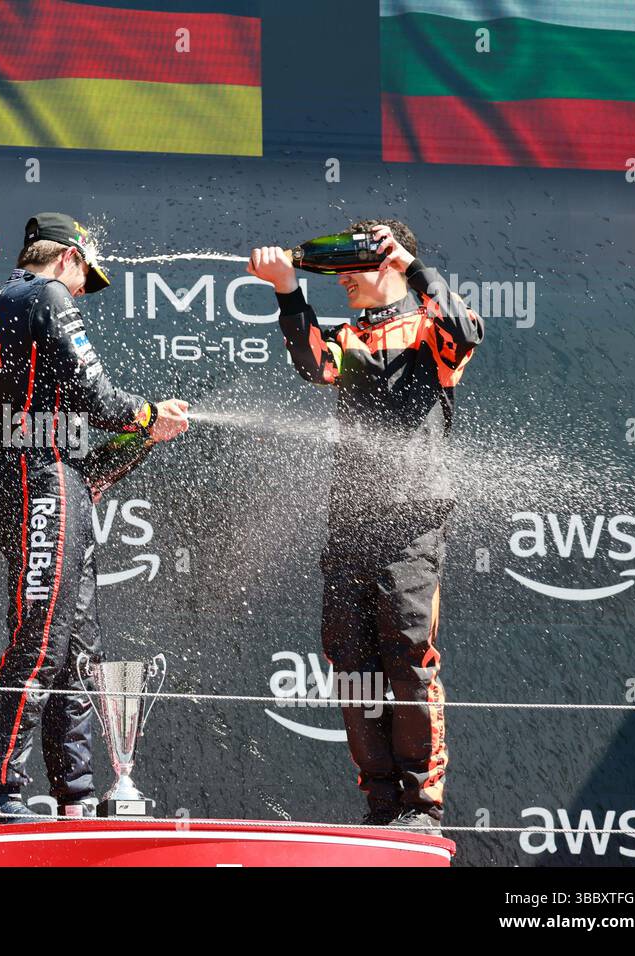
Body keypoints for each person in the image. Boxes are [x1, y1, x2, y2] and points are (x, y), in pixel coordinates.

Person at [248, 221, 484, 835]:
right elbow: (308, 361)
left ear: (390, 266)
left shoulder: (431, 326)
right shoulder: (348, 336)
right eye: (340, 273)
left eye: (355, 268)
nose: (345, 281)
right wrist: (286, 289)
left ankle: (421, 809)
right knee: (352, 662)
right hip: (349, 525)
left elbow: (468, 330)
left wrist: (412, 263)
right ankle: (382, 809)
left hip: (411, 525)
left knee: (407, 657)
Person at [0, 213, 189, 821]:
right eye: (86, 278)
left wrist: (133, 436)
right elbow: (94, 392)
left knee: (77, 650)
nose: (83, 293)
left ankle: (76, 798)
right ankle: (5, 794)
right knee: (41, 641)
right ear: (69, 260)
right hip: (45, 487)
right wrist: (144, 412)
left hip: (41, 481)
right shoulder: (46, 294)